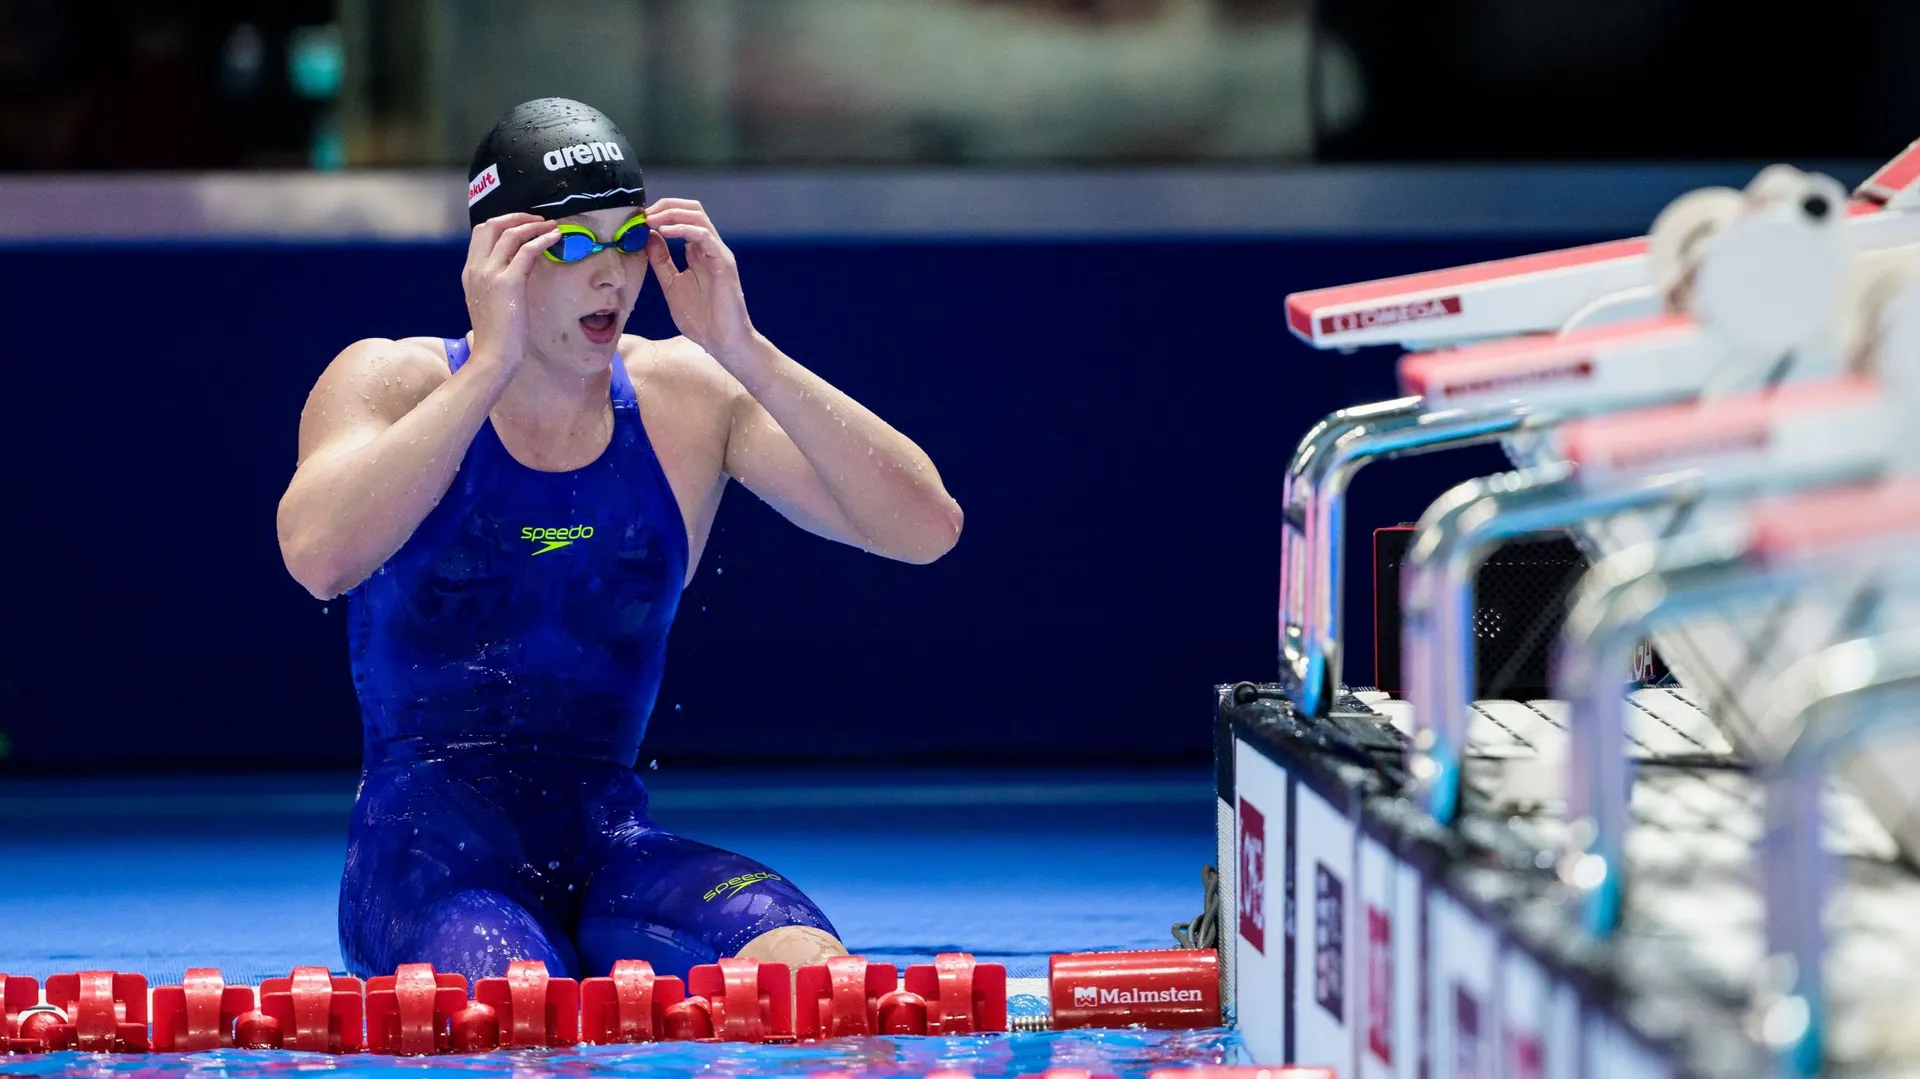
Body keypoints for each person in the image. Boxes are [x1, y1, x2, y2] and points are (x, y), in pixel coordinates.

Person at [275, 98, 963, 982]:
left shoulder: (689, 399)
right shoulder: (390, 380)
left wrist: (743, 348)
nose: (611, 275)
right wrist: (488, 365)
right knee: (518, 1009)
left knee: (815, 972)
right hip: (425, 873)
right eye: (571, 245)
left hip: (611, 852)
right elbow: (316, 555)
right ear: (497, 256)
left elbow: (926, 529)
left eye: (629, 237)